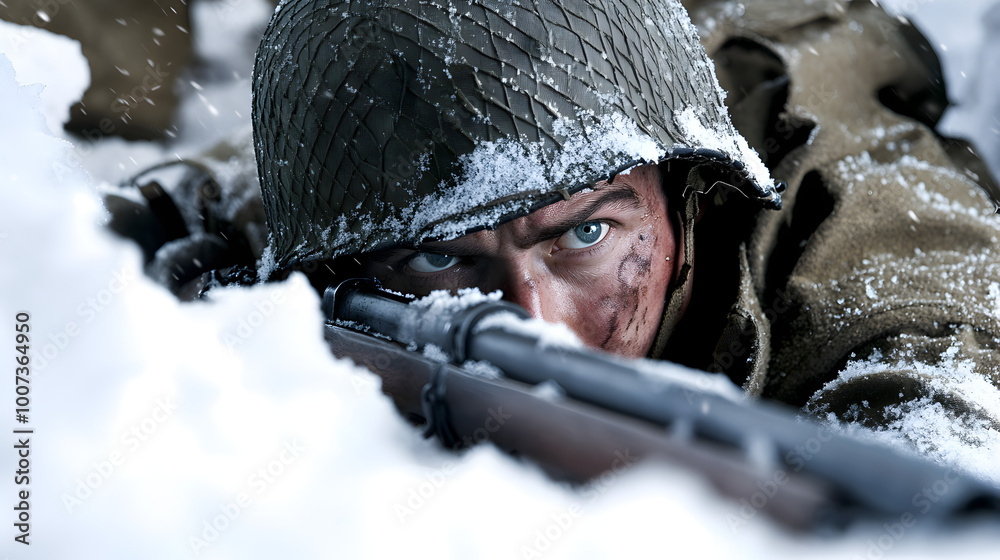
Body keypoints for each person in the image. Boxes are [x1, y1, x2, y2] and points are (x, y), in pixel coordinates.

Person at [115, 0, 1000, 450]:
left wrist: (936, 437)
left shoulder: (843, 198)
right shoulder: (370, 151)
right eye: (440, 258)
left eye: (585, 237)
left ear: (689, 197)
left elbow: (937, 358)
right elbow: (206, 197)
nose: (534, 325)